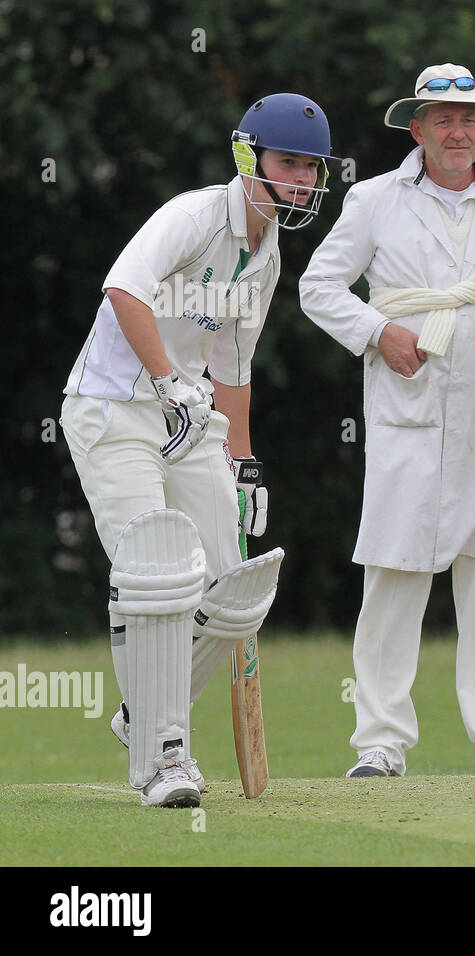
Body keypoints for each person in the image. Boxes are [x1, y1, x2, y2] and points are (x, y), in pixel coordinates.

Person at [61, 93, 337, 806]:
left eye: (311, 168)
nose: (303, 181)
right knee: (157, 574)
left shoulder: (269, 252)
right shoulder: (192, 215)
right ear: (249, 158)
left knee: (236, 591)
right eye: (289, 164)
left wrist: (244, 463)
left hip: (191, 418)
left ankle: (144, 714)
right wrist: (165, 382)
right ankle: (165, 760)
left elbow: (234, 363)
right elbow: (124, 288)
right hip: (116, 406)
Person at [299, 64, 475, 777]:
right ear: (415, 128)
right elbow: (318, 287)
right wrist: (377, 334)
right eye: (443, 119)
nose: (459, 131)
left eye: (471, 119)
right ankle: (380, 743)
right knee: (394, 569)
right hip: (408, 407)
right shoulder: (374, 200)